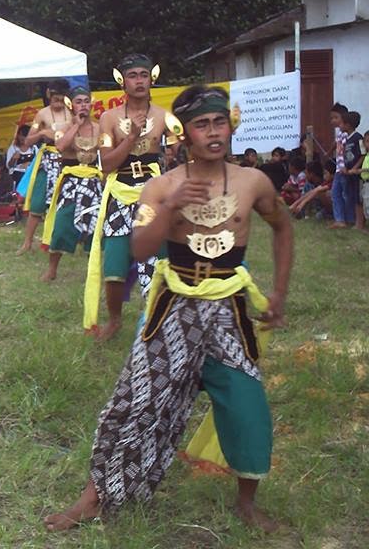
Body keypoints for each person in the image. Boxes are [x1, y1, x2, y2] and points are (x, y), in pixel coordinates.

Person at [45, 84, 293, 534]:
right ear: (185, 134)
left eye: (220, 122)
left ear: (230, 127)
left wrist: (278, 293)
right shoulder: (162, 186)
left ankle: (247, 504)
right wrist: (170, 208)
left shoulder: (253, 182)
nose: (213, 132)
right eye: (203, 125)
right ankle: (93, 497)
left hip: (229, 311)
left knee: (246, 404)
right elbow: (140, 248)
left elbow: (282, 227)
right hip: (173, 308)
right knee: (134, 402)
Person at [84, 54, 176, 341]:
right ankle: (114, 320)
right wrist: (132, 137)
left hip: (153, 194)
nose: (139, 80)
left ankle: (161, 318)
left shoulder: (164, 116)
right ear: (122, 81)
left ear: (152, 79)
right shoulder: (109, 118)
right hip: (119, 194)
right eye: (133, 75)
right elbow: (107, 163)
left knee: (161, 261)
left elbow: (175, 155)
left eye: (144, 75)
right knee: (114, 265)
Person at [40, 86, 101, 282]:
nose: (83, 105)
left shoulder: (100, 128)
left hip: (93, 182)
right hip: (71, 182)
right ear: (72, 105)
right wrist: (76, 125)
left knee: (95, 226)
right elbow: (60, 146)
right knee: (63, 224)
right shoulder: (65, 127)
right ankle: (52, 269)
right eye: (79, 102)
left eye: (86, 101)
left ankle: (94, 269)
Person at [17, 79, 72, 254]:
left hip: (68, 160)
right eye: (55, 98)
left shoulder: (73, 113)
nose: (58, 102)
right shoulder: (41, 115)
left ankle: (66, 242)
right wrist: (42, 132)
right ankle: (27, 242)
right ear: (49, 95)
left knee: (67, 203)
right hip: (47, 161)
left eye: (61, 98)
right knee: (37, 204)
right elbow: (27, 140)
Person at [335, 110, 363, 229]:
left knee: (356, 197)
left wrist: (354, 168)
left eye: (341, 124)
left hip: (355, 174)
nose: (339, 126)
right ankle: (351, 220)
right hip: (347, 172)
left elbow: (363, 154)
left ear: (348, 125)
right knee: (348, 195)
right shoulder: (346, 138)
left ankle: (358, 222)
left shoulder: (358, 138)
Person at [329, 102, 349, 227]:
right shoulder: (340, 134)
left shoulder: (347, 134)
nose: (333, 120)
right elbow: (335, 144)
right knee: (336, 193)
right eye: (331, 118)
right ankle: (340, 219)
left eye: (335, 117)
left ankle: (347, 219)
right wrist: (328, 152)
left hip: (344, 169)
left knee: (345, 194)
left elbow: (347, 149)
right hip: (338, 169)